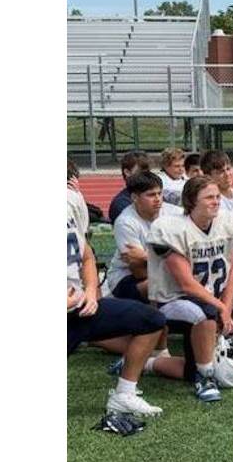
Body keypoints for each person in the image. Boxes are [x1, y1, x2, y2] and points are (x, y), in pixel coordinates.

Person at [68, 179, 167, 418]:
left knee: (151, 320)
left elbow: (88, 256)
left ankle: (124, 395)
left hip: (79, 310)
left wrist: (91, 291)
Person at [146, 176, 233, 402]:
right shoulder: (171, 229)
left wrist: (227, 308)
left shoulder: (226, 223)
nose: (216, 202)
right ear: (191, 201)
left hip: (209, 299)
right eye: (209, 197)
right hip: (173, 300)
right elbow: (185, 283)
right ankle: (206, 377)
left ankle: (145, 364)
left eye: (217, 197)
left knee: (191, 368)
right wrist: (220, 306)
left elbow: (232, 273)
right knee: (206, 315)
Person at [106, 171, 184, 302]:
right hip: (126, 277)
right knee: (161, 285)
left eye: (159, 193)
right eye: (151, 195)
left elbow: (189, 252)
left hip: (165, 270)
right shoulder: (125, 222)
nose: (158, 199)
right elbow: (138, 269)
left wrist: (145, 256)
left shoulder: (176, 214)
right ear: (135, 198)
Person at [108, 151, 151, 223]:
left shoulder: (156, 195)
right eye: (141, 171)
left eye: (148, 171)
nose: (146, 175)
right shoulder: (121, 203)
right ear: (127, 172)